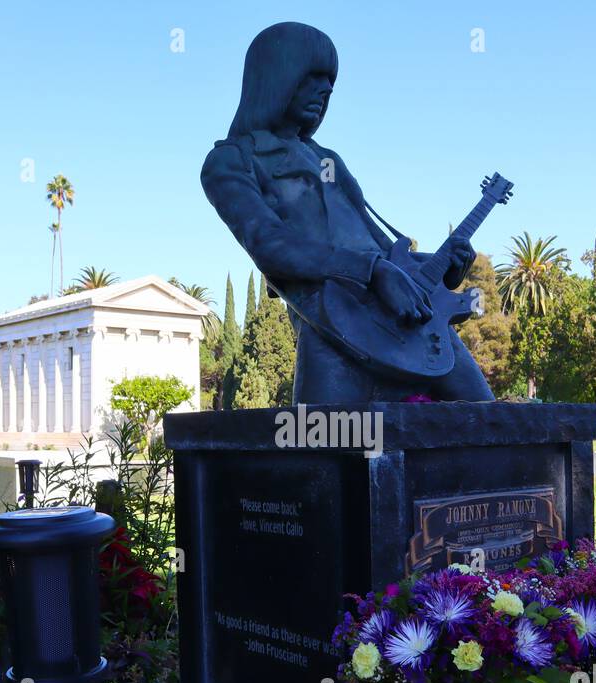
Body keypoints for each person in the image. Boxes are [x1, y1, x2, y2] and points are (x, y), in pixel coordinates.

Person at [201, 22, 493, 404]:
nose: (324, 90)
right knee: (326, 446)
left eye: (330, 81)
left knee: (486, 419)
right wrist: (371, 271)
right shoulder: (232, 161)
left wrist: (440, 266)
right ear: (275, 77)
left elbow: (377, 242)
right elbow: (270, 246)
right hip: (334, 327)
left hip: (408, 321)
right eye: (311, 77)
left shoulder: (326, 159)